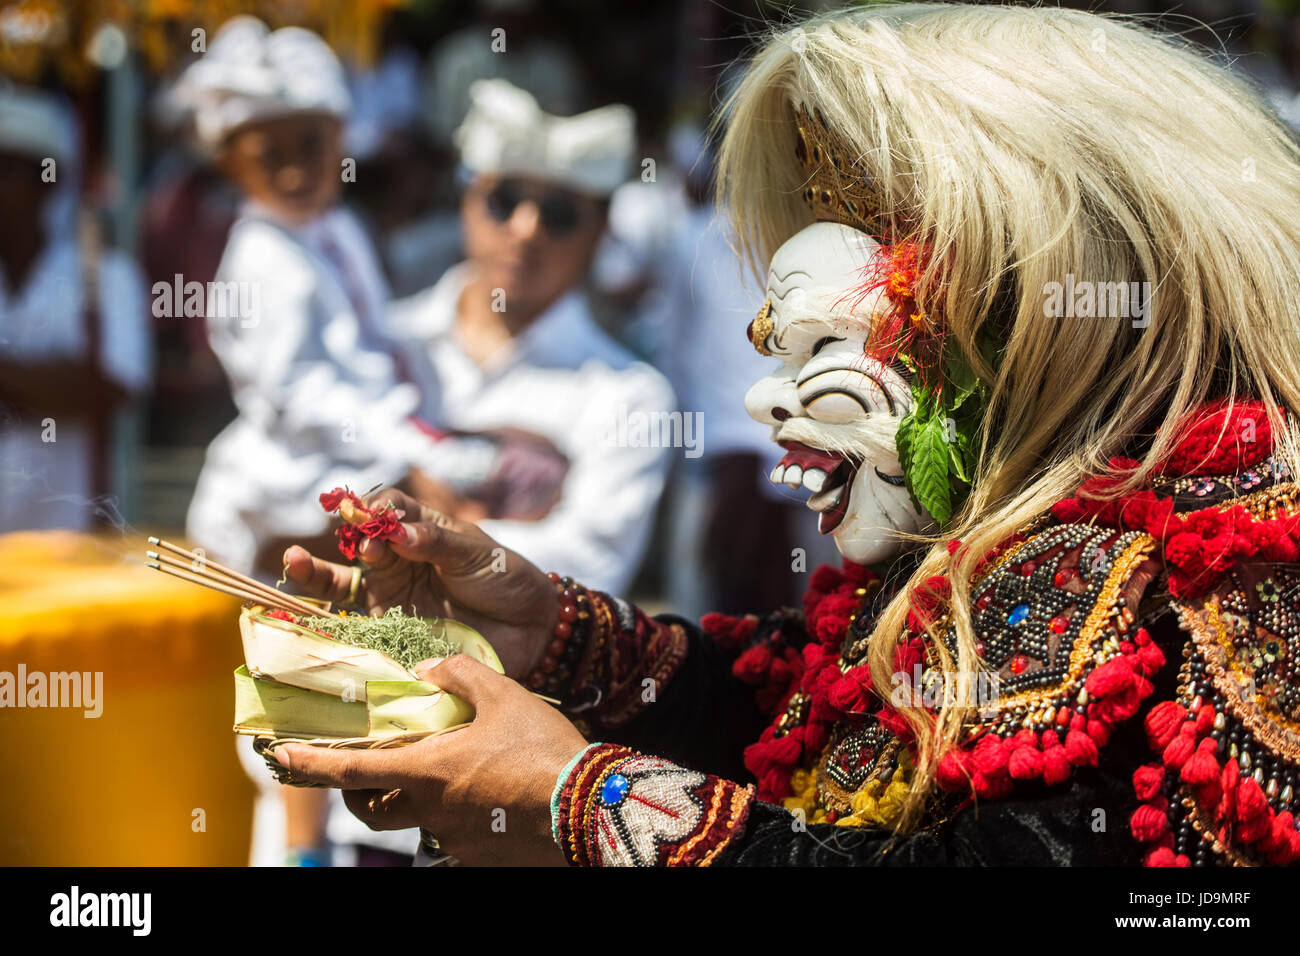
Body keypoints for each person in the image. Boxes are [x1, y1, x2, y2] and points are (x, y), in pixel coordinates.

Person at [274, 6, 1300, 867]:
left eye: (830, 345)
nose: (770, 399)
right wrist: (550, 635)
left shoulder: (1233, 550)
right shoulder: (976, 519)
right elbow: (803, 724)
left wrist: (583, 799)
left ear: (1019, 312)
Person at [385, 79, 675, 596]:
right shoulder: (383, 343)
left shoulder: (631, 397)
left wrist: (431, 529)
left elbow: (592, 569)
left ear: (599, 230)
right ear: (466, 200)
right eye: (505, 199)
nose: (526, 228)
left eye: (560, 213)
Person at [176, 17, 442, 580]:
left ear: (342, 139)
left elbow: (371, 332)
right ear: (229, 162)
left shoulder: (338, 226)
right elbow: (296, 392)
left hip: (370, 435)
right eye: (270, 155)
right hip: (302, 472)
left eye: (312, 146)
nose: (295, 170)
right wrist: (403, 441)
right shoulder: (262, 255)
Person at [0, 86, 150, 532]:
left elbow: (107, 389)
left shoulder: (105, 276)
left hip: (69, 541)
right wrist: (41, 382)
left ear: (47, 181)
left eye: (5, 170)